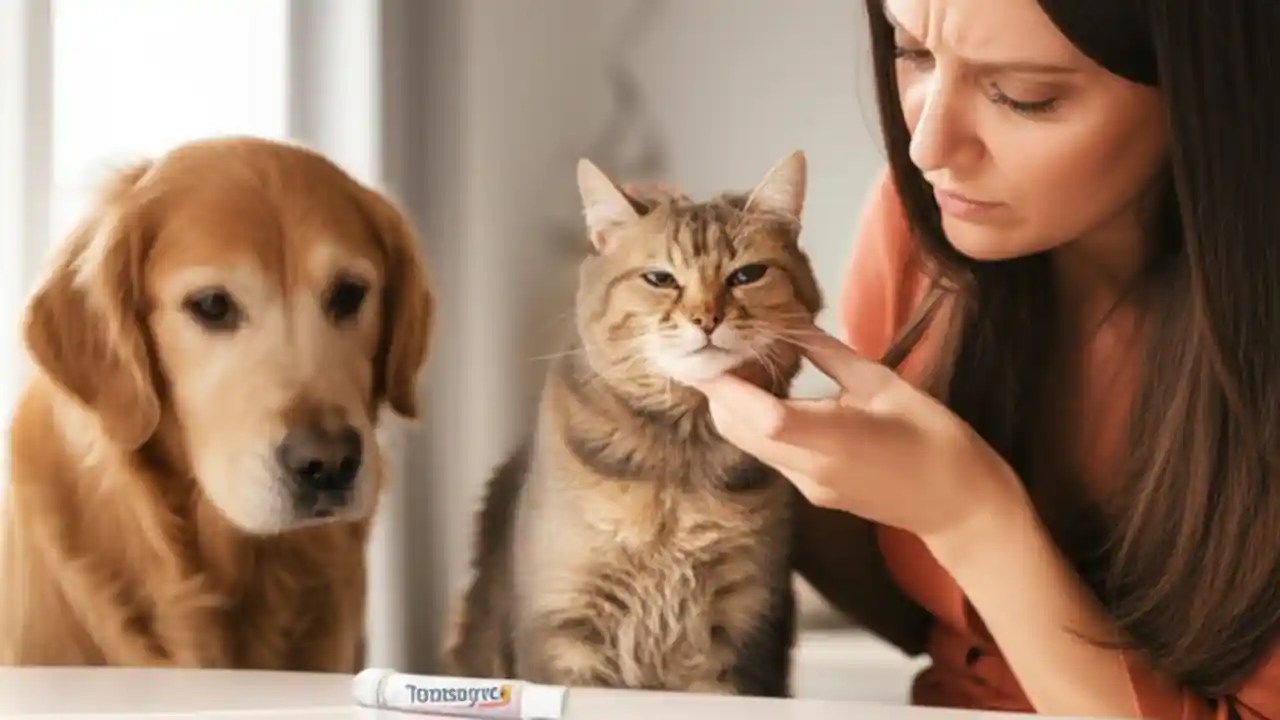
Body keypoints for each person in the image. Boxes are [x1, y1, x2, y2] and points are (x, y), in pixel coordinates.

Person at [689, 0, 1280, 717]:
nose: (926, 147)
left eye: (1022, 96)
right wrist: (760, 443)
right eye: (910, 52)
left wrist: (970, 515)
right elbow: (930, 620)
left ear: (1209, 87)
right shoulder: (921, 236)